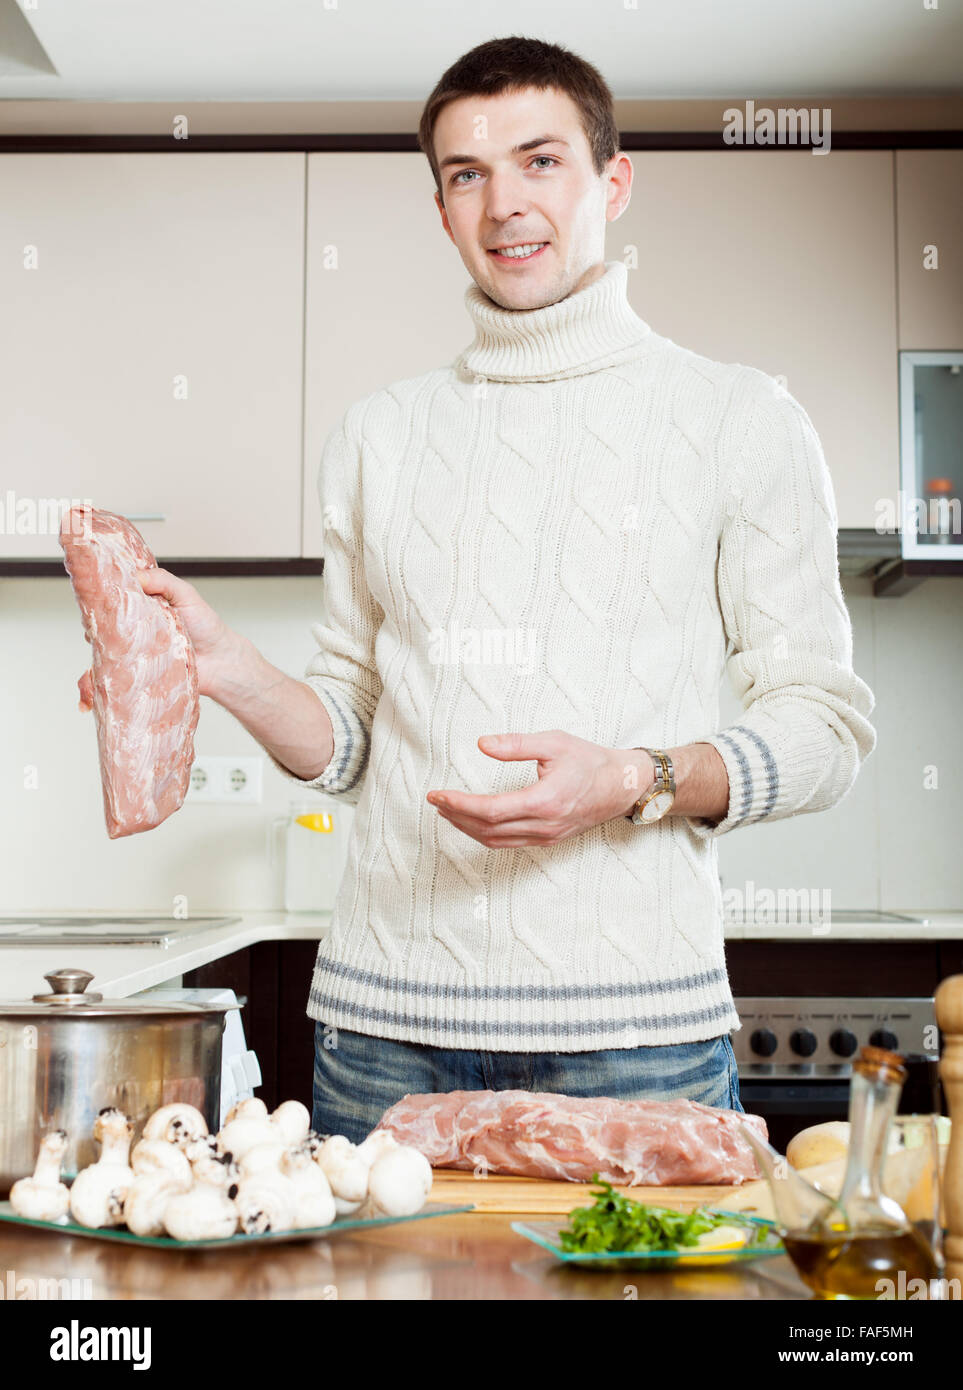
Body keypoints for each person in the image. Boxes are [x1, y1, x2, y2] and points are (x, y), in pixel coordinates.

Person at [117, 37, 876, 1142]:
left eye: (540, 161)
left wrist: (631, 778)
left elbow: (827, 728)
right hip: (385, 1033)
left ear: (613, 181)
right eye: (468, 174)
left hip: (639, 1030)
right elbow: (352, 738)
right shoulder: (379, 434)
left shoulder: (741, 418)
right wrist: (227, 666)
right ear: (440, 208)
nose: (505, 202)